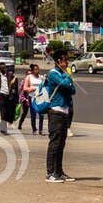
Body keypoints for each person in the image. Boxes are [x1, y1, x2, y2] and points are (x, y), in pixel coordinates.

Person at [42, 53, 77, 183]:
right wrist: (68, 79)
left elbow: (72, 90)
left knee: (61, 144)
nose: (67, 63)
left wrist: (68, 82)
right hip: (55, 111)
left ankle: (59, 172)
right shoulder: (53, 73)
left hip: (64, 111)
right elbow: (65, 84)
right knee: (54, 143)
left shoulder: (62, 74)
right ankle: (50, 173)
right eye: (65, 60)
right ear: (59, 61)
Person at [19, 63, 45, 135]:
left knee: (41, 114)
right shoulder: (29, 77)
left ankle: (40, 130)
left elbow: (44, 86)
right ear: (33, 71)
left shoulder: (41, 77)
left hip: (40, 97)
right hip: (32, 97)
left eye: (38, 69)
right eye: (36, 69)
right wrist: (33, 88)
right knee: (33, 114)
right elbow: (25, 88)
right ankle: (34, 129)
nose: (37, 70)